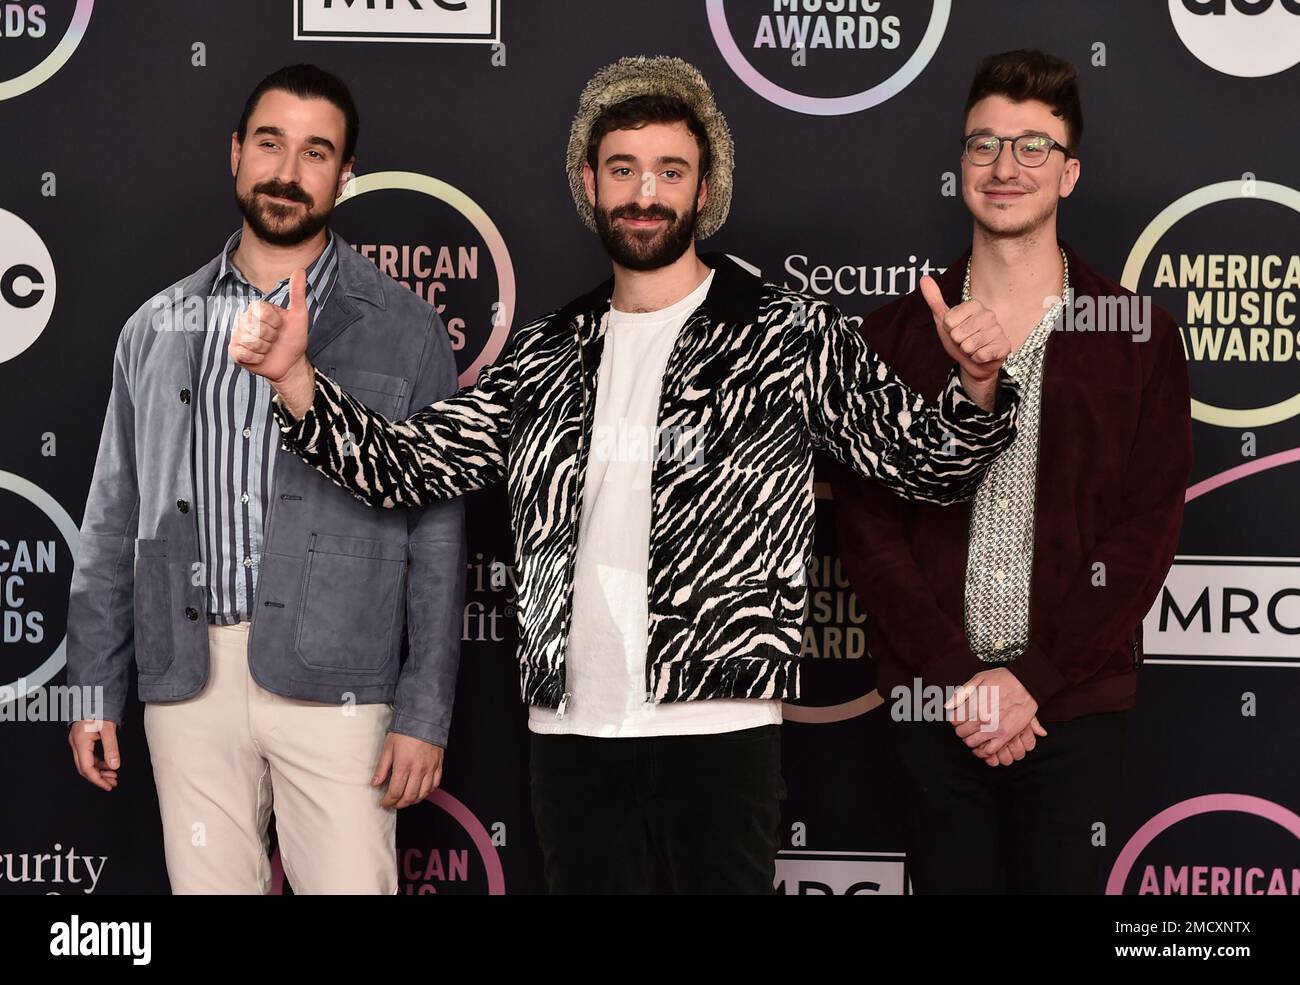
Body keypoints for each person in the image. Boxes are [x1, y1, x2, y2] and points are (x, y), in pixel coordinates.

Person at [234, 56, 1020, 894]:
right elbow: (407, 465)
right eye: (623, 170)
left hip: (720, 729)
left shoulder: (786, 333)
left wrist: (974, 385)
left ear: (702, 186)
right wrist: (295, 379)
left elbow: (926, 467)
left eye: (669, 171)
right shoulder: (543, 351)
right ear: (590, 181)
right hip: (570, 737)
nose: (645, 192)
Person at [66, 64, 466, 894]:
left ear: (345, 174)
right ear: (237, 154)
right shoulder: (156, 326)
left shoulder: (404, 329)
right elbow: (112, 520)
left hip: (339, 682)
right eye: (272, 144)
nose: (288, 171)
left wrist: (425, 711)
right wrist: (94, 686)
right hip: (187, 678)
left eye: (316, 152)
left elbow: (437, 535)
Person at [831, 50, 1192, 894]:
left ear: (1069, 174)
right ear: (960, 166)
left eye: (1034, 147)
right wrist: (962, 681)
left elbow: (1145, 532)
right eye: (984, 144)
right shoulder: (890, 339)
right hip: (934, 703)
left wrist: (1030, 682)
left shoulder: (1136, 334)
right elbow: (868, 527)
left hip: (1072, 704)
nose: (1005, 167)